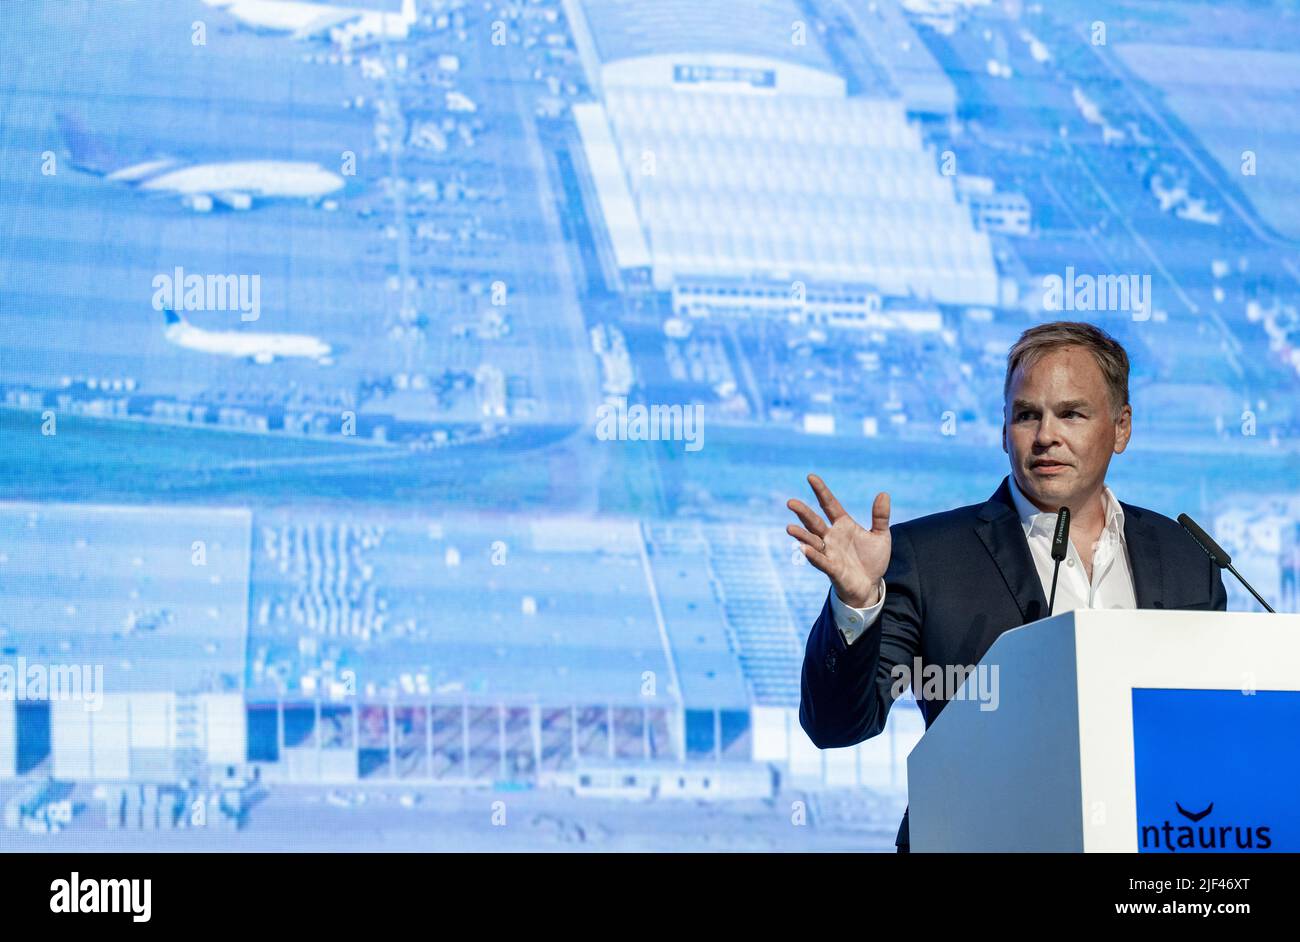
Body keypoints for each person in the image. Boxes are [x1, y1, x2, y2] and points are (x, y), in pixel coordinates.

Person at [787, 321, 1227, 852]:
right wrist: (856, 604)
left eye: (1071, 413)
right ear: (1003, 431)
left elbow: (1207, 730)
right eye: (1026, 415)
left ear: (1121, 428)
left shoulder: (1186, 556)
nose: (1046, 436)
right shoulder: (926, 556)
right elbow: (837, 726)